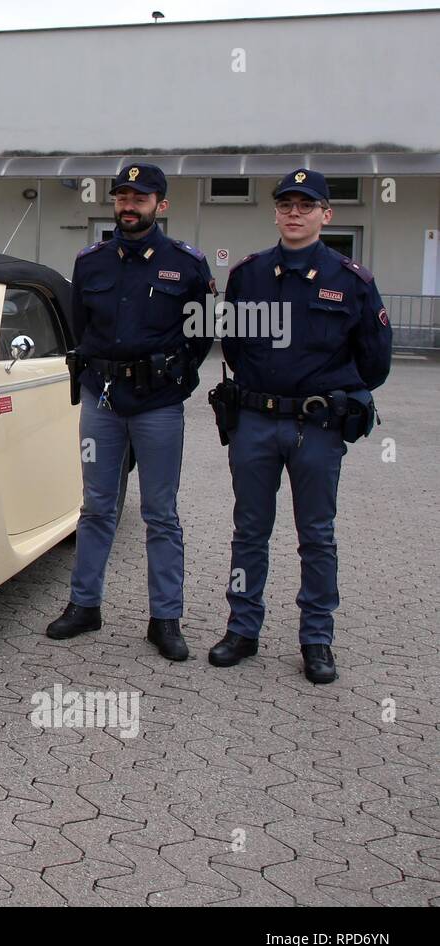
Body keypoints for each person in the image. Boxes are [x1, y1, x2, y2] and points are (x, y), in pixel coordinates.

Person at [207, 169, 392, 684]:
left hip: (317, 428)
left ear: (325, 215)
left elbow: (375, 363)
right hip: (255, 424)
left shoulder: (351, 280)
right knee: (249, 532)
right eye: (286, 204)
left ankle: (317, 639)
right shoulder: (249, 275)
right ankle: (242, 629)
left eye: (306, 206)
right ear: (275, 213)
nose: (294, 213)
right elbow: (236, 344)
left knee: (316, 536)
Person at [46, 163, 214, 660]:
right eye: (122, 195)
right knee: (97, 507)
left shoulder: (186, 264)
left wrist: (172, 377)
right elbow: (81, 328)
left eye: (140, 197)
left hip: (158, 405)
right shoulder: (91, 261)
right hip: (101, 400)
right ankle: (84, 605)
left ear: (161, 204)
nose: (129, 204)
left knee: (161, 513)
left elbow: (201, 335)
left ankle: (165, 619)